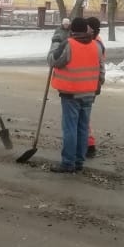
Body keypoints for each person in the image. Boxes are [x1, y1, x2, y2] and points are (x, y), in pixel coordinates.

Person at [47, 17, 103, 173]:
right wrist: (98, 87)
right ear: (86, 30)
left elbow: (53, 60)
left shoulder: (69, 45)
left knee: (70, 128)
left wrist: (56, 41)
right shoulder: (96, 45)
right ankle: (79, 161)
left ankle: (68, 163)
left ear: (72, 30)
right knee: (83, 128)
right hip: (89, 93)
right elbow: (101, 68)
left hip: (71, 94)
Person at [84, 16, 106, 157]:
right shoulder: (97, 41)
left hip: (88, 85)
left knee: (83, 117)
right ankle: (87, 143)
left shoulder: (94, 44)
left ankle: (89, 145)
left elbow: (100, 66)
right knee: (85, 116)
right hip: (92, 84)